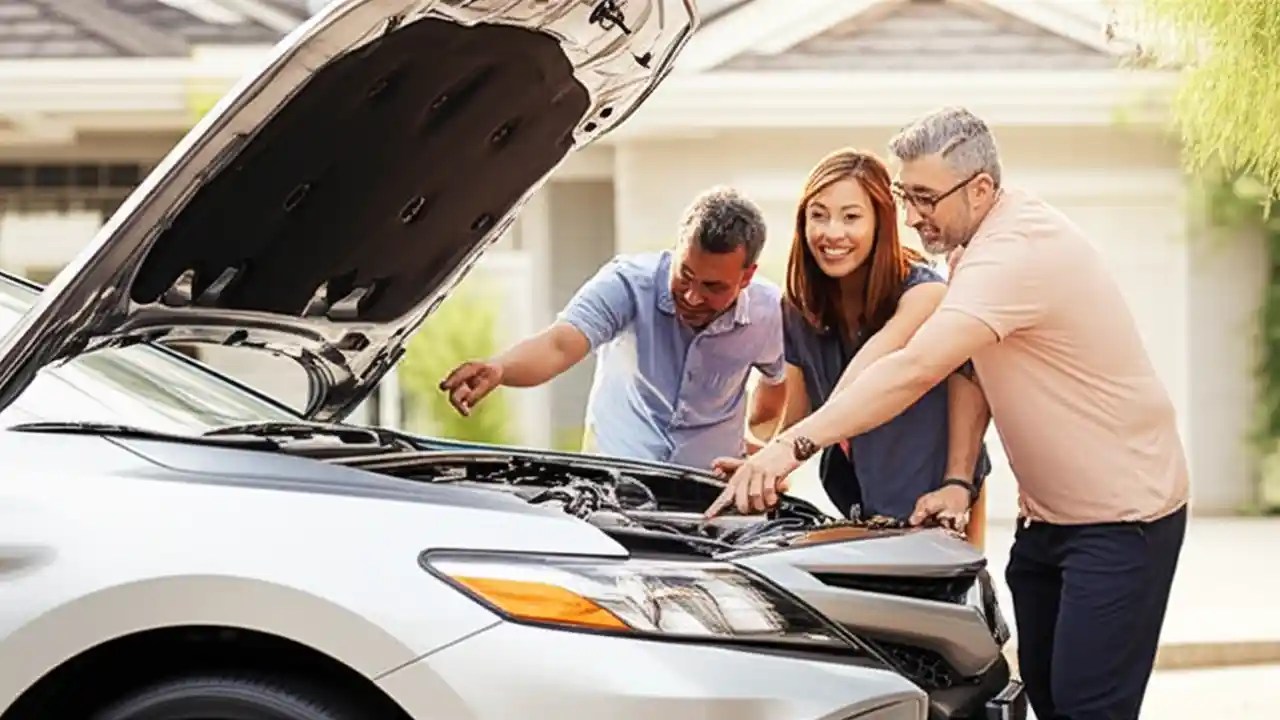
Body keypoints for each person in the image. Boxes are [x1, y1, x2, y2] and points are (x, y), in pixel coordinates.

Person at [707, 106, 1189, 720]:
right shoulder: (974, 248)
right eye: (908, 196)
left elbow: (913, 370)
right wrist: (959, 480)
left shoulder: (1013, 252)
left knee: (1086, 709)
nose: (911, 216)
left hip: (1125, 521)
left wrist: (791, 448)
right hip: (1048, 524)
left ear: (981, 187)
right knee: (1042, 698)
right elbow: (975, 373)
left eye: (926, 198)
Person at [439, 186, 786, 470]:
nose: (693, 297)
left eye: (714, 287)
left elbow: (778, 384)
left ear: (747, 276)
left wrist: (763, 451)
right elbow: (559, 345)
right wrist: (501, 368)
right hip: (616, 484)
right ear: (677, 249)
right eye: (686, 276)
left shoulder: (769, 312)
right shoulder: (627, 284)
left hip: (709, 496)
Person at [741, 147, 990, 532]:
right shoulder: (798, 311)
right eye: (818, 216)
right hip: (866, 511)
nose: (832, 233)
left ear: (882, 222)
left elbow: (863, 379)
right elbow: (799, 420)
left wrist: (781, 451)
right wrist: (755, 466)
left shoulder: (925, 294)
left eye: (851, 217)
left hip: (939, 505)